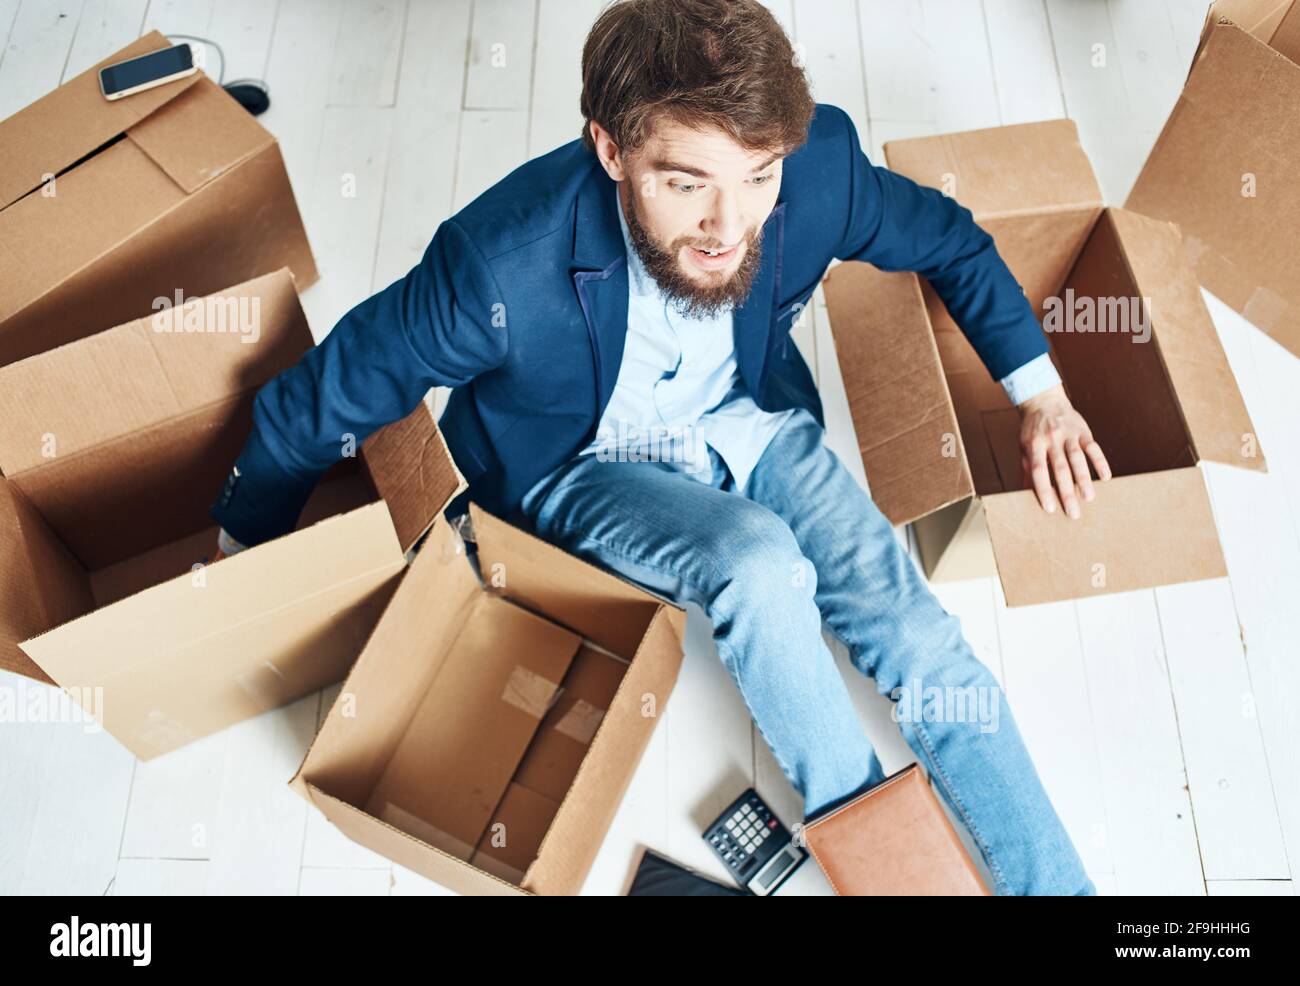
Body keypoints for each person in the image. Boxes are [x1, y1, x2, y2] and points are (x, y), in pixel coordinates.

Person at [211, 0, 1109, 895]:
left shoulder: (816, 169)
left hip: (748, 420)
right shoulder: (499, 266)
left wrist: (1044, 397)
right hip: (582, 464)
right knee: (757, 565)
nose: (730, 227)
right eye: (687, 184)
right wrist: (238, 572)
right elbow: (318, 402)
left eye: (757, 178)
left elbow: (952, 240)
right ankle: (893, 875)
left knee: (918, 635)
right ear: (612, 150)